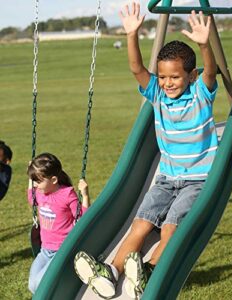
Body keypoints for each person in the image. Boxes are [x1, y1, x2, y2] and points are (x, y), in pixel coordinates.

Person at [74, 2, 218, 299]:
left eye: (174, 77)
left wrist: (205, 46)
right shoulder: (157, 95)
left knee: (171, 225)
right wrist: (132, 35)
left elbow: (211, 72)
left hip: (197, 180)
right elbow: (137, 68)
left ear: (190, 76)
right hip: (166, 177)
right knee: (141, 223)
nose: (167, 83)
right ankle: (110, 271)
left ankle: (149, 269)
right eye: (163, 77)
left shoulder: (201, 95)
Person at [27, 152, 90, 294]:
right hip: (45, 250)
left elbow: (82, 218)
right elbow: (31, 199)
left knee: (39, 285)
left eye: (38, 181)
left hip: (62, 251)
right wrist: (31, 177)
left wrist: (85, 195)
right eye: (34, 181)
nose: (36, 185)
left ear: (54, 179)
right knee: (32, 286)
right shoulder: (39, 192)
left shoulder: (67, 194)